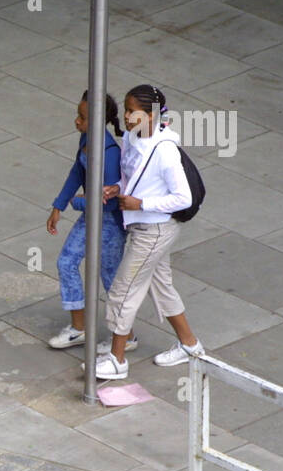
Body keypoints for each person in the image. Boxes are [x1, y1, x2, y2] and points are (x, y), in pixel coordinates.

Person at [93, 84, 204, 380]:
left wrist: (141, 202)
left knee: (123, 289)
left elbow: (184, 198)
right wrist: (119, 188)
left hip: (155, 229)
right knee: (161, 286)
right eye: (127, 110)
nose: (126, 117)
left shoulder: (165, 152)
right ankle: (190, 346)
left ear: (152, 116)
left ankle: (117, 359)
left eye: (132, 111)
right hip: (142, 224)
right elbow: (131, 174)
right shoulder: (131, 136)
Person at [46, 91, 137, 353]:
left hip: (109, 221)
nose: (77, 122)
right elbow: (77, 171)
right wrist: (58, 204)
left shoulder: (108, 153)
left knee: (110, 277)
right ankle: (79, 328)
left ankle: (127, 335)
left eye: (82, 118)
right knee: (66, 262)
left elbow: (106, 200)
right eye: (78, 115)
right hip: (91, 216)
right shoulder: (86, 139)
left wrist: (76, 203)